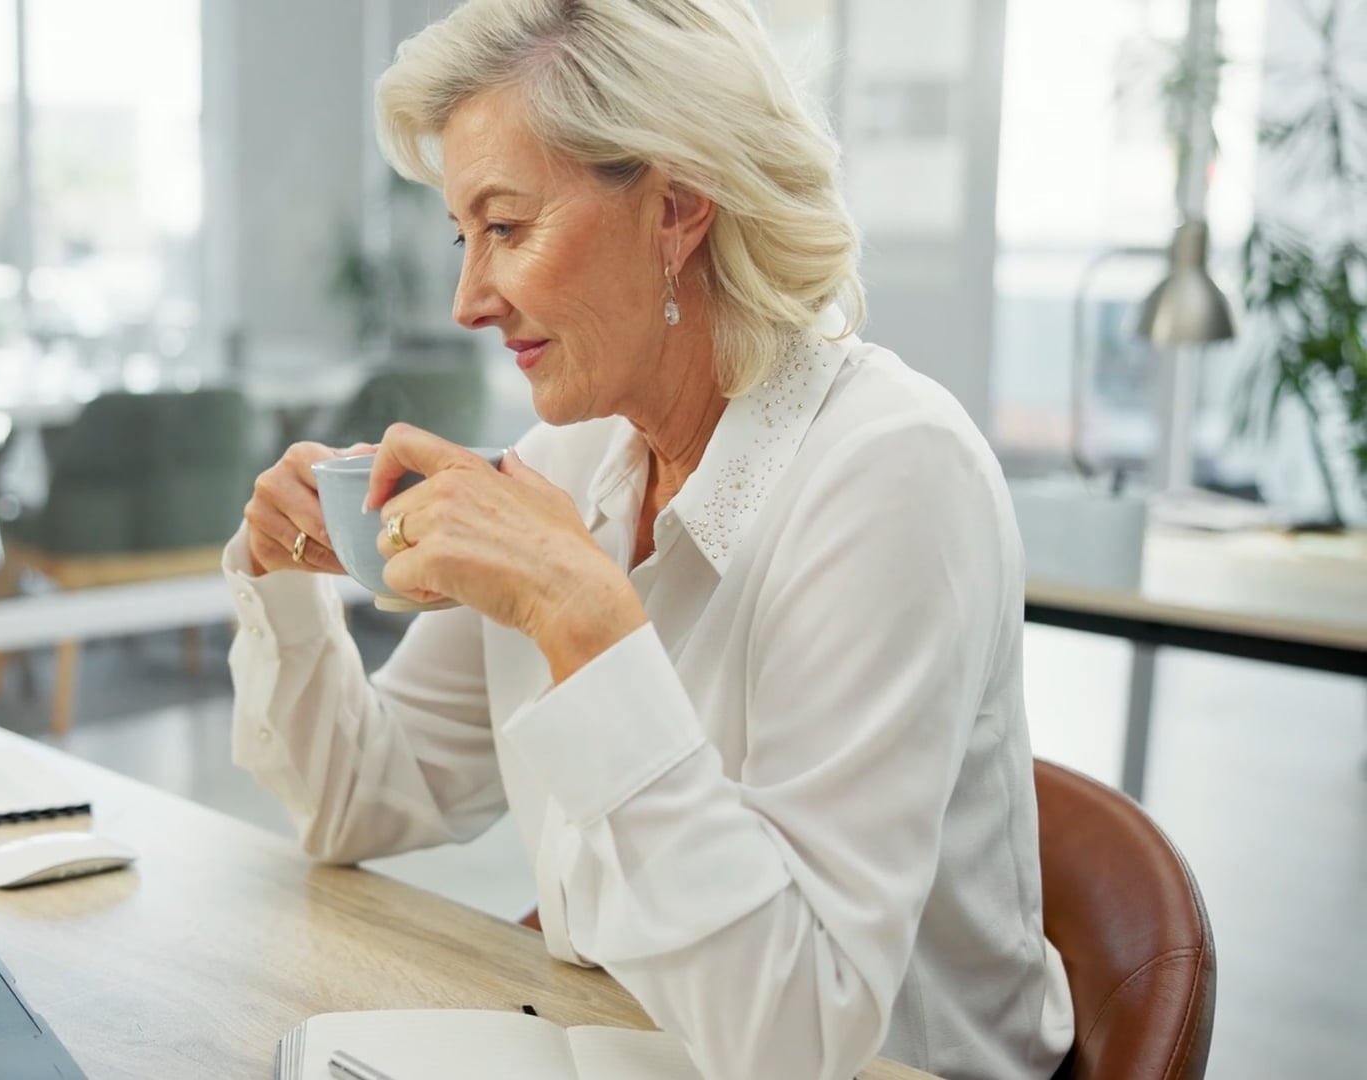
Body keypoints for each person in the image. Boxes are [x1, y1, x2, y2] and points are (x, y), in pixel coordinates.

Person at [222, 2, 1073, 1077]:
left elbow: (800, 1036)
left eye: (507, 227)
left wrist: (582, 622)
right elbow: (360, 797)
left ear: (676, 211)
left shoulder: (895, 474)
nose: (467, 300)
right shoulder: (575, 461)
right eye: (461, 234)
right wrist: (284, 575)